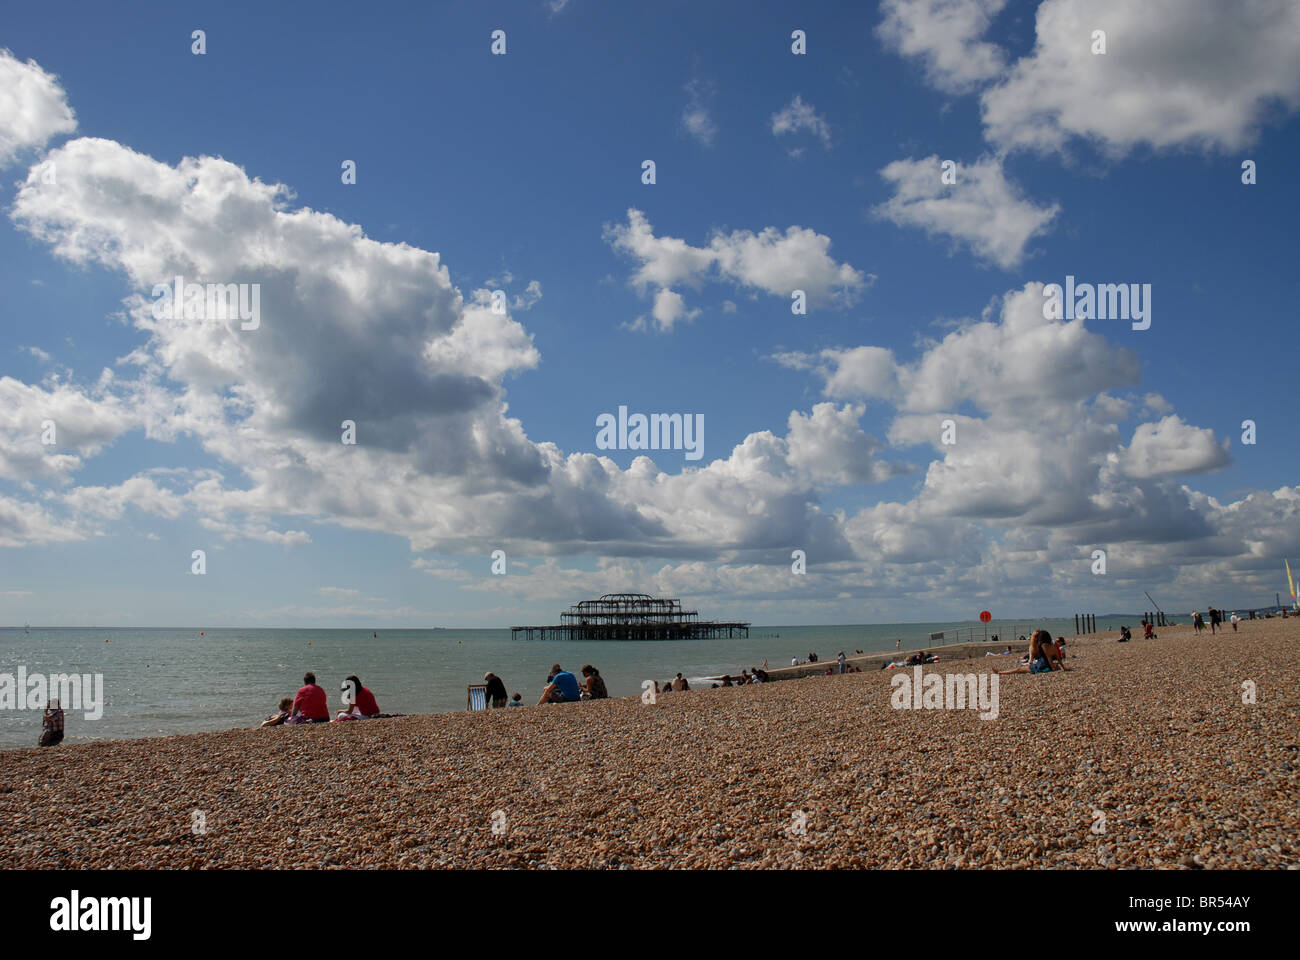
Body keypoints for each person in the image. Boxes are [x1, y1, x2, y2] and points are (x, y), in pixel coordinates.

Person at [995, 630, 1065, 675]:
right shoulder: (1053, 646)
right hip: (1044, 664)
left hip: (1041, 666)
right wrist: (1064, 667)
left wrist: (1052, 667)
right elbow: (1058, 658)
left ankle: (1000, 672)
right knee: (1021, 669)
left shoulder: (1044, 645)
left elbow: (1049, 657)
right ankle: (1000, 672)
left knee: (1019, 669)